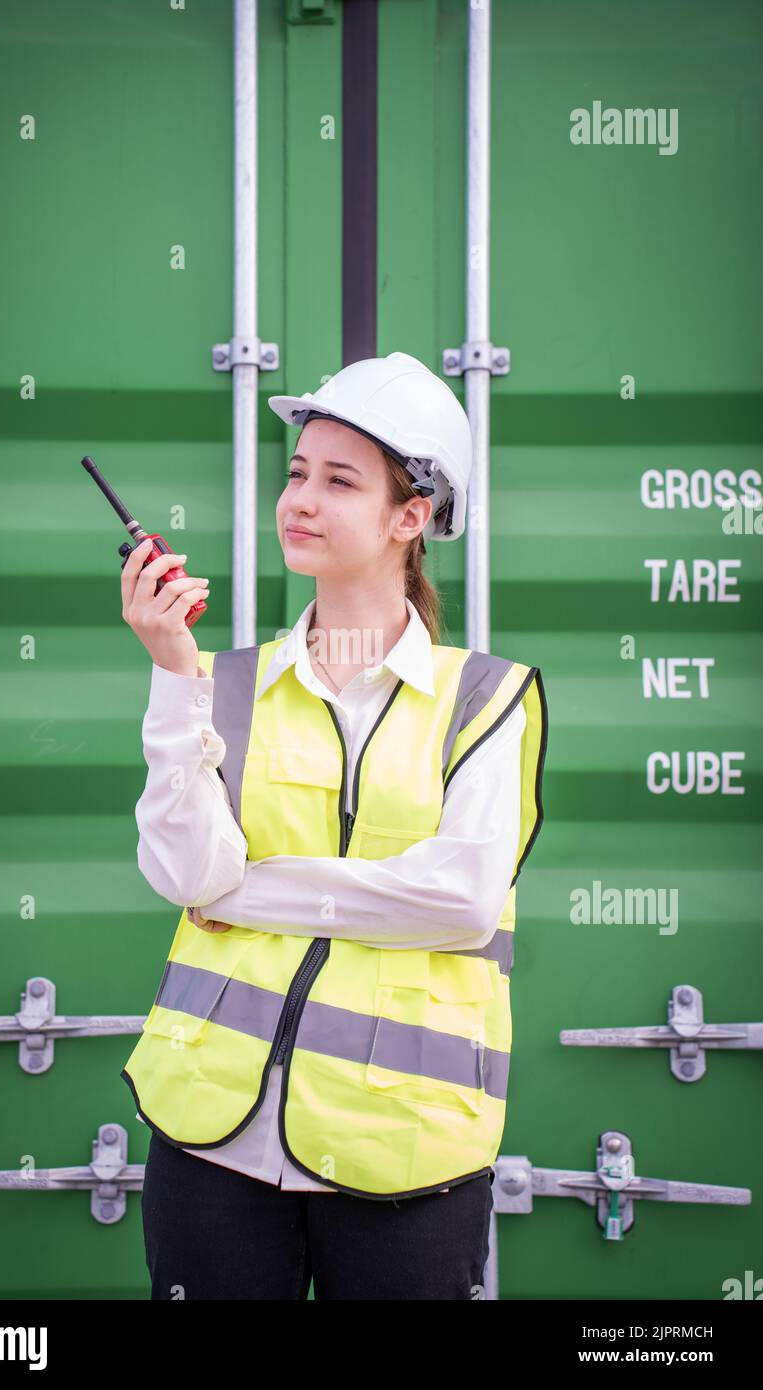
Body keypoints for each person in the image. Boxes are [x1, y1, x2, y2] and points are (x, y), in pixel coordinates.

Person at [120, 351, 547, 1300]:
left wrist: (248, 891)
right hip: (211, 1140)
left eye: (338, 481)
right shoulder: (222, 683)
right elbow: (189, 870)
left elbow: (458, 901)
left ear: (412, 517)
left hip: (402, 1150)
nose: (299, 499)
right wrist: (170, 668)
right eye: (296, 472)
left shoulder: (486, 700)